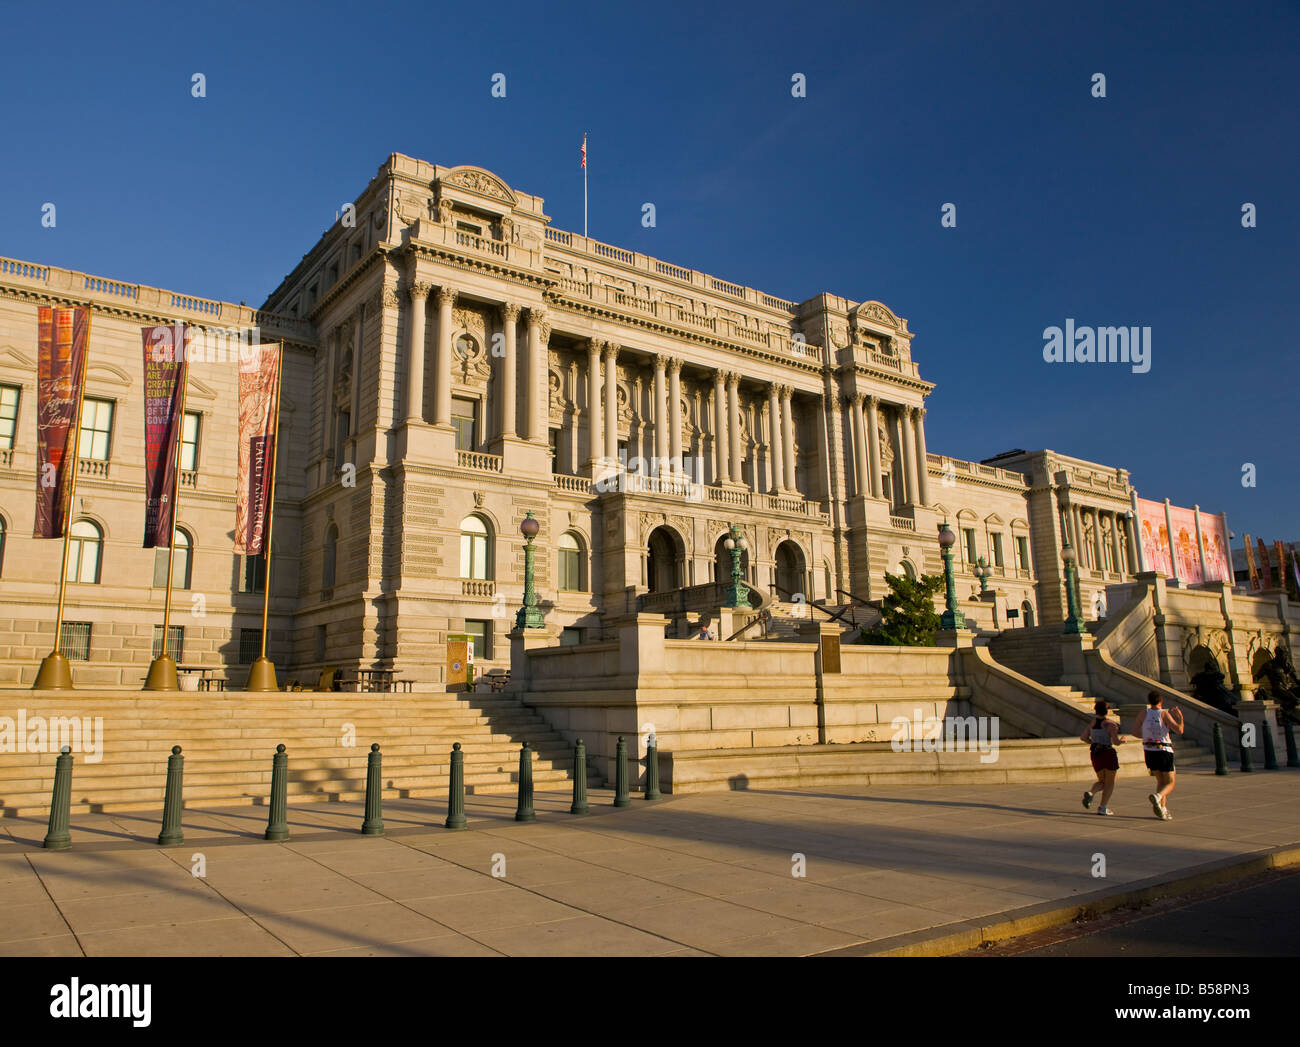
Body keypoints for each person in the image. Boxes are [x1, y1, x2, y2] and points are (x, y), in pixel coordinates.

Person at [1134, 690, 1184, 820]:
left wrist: (1147, 736)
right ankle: (1157, 797)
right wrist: (1180, 717)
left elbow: (1134, 732)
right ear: (1161, 701)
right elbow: (1179, 730)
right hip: (1164, 750)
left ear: (1149, 701)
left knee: (1160, 781)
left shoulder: (1143, 714)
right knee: (1170, 782)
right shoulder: (1164, 713)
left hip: (1149, 750)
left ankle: (1163, 810)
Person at [1081, 699, 1126, 815]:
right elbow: (1115, 742)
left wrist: (1093, 742)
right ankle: (1102, 807)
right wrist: (1122, 741)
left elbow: (1083, 737)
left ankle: (1091, 792)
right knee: (1110, 782)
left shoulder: (1092, 723)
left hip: (1096, 753)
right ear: (1107, 711)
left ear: (1096, 711)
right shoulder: (1111, 725)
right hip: (1108, 753)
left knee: (1102, 780)